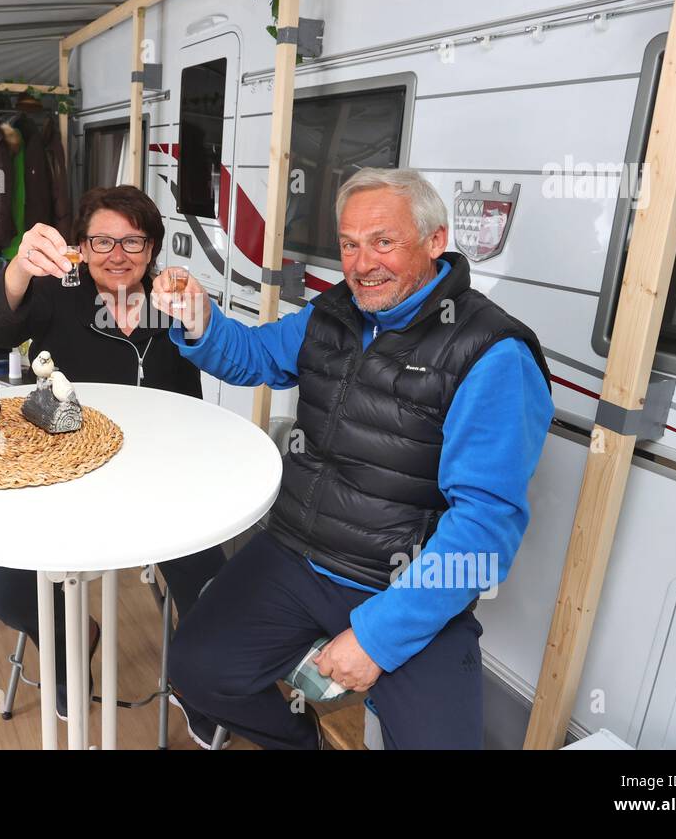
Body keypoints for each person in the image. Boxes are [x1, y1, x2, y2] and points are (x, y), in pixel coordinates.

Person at [153, 168, 554, 749]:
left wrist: (377, 638)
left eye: (383, 241)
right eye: (349, 244)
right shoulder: (332, 314)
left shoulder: (492, 353)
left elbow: (484, 529)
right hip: (295, 552)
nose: (362, 263)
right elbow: (254, 356)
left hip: (402, 580)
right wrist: (198, 319)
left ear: (436, 241)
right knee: (195, 668)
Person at [0, 185, 226, 744]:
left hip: (163, 475)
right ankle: (70, 643)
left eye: (133, 241)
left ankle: (195, 681)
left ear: (153, 246)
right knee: (10, 592)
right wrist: (16, 270)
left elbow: (203, 374)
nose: (118, 254)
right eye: (102, 241)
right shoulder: (56, 292)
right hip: (67, 472)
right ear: (82, 249)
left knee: (212, 587)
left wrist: (203, 316)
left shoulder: (170, 298)